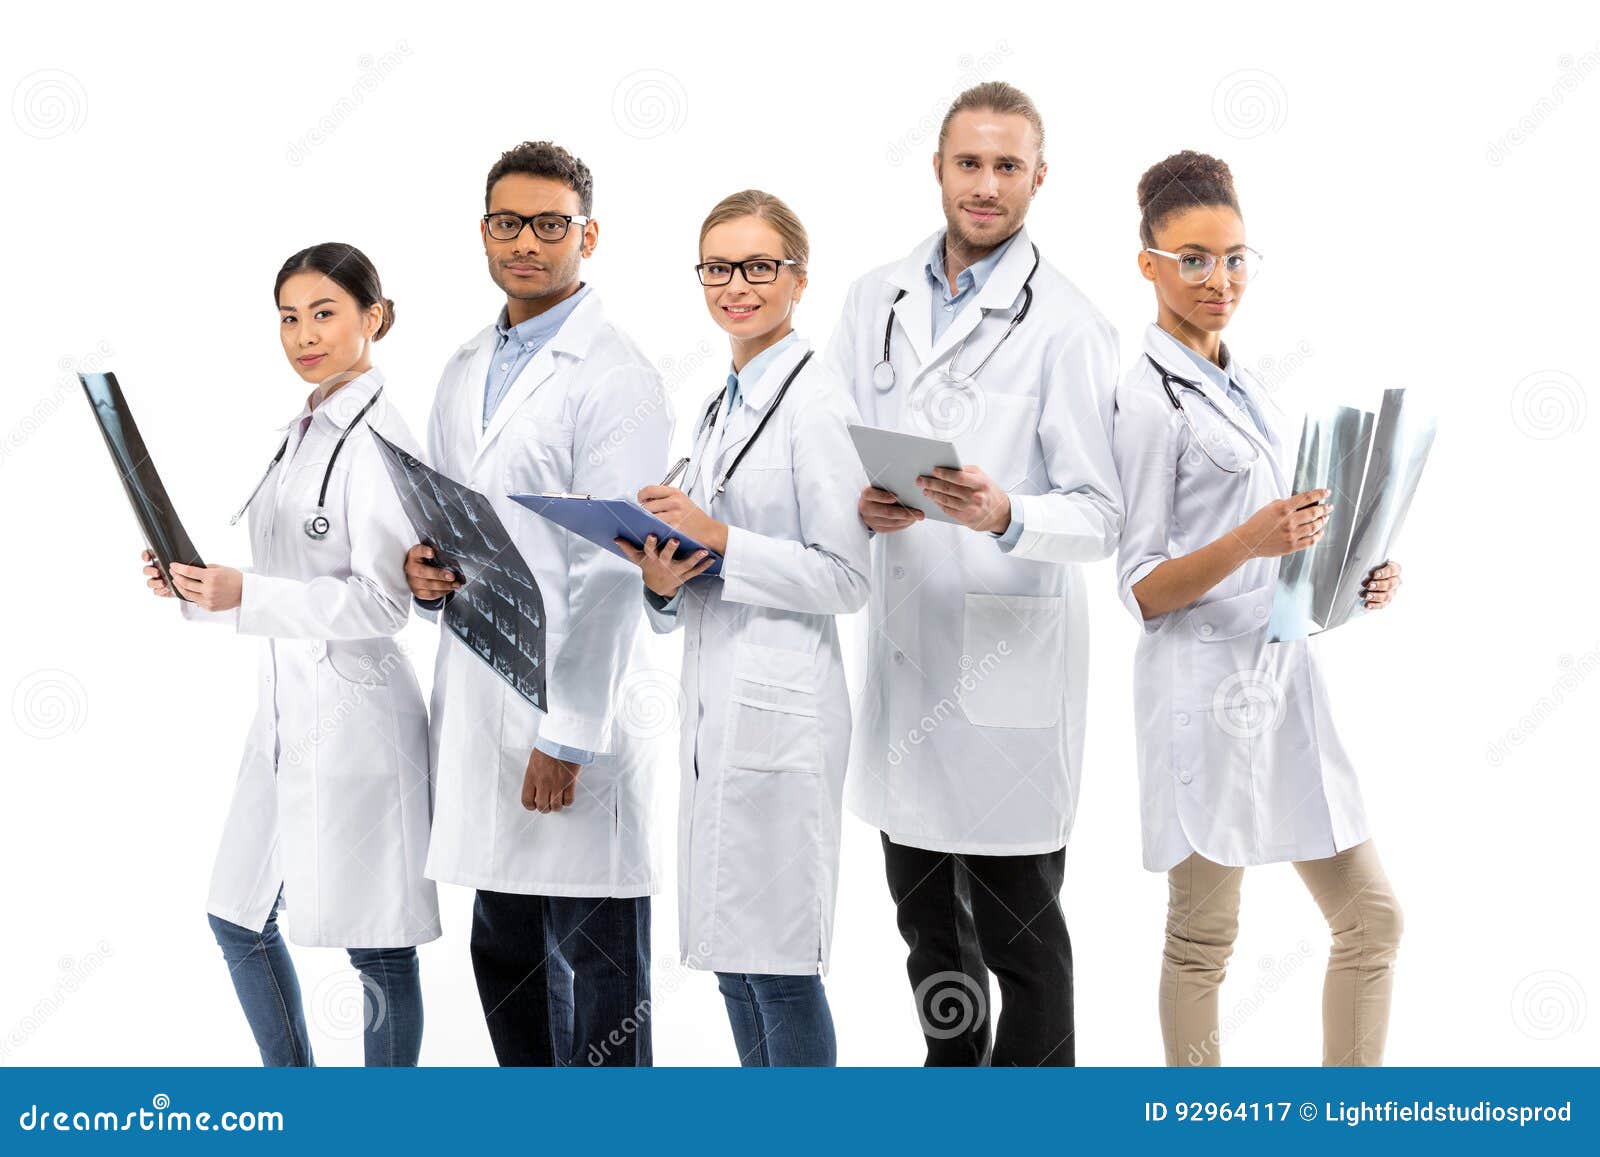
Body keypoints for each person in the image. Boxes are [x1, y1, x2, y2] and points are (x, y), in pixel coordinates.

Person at [823, 82, 1121, 1066]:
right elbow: (837, 452)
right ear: (938, 166)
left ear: (1039, 176)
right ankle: (951, 1086)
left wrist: (1007, 514)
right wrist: (863, 505)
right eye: (968, 162)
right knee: (925, 928)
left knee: (1019, 936)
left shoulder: (1070, 324)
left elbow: (1100, 515)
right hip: (910, 652)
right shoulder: (875, 296)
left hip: (1006, 661)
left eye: (1006, 165)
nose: (984, 184)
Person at [1112, 150, 1404, 1066]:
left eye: (1235, 257)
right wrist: (1249, 540)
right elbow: (1142, 587)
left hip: (1282, 680)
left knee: (1373, 919)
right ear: (1148, 263)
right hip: (1202, 692)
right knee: (1203, 940)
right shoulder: (1144, 398)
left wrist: (1356, 576)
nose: (1219, 279)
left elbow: (1284, 552)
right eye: (1193, 258)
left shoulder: (1252, 390)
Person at [403, 140, 670, 1067]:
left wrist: (568, 733)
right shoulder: (464, 363)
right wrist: (423, 575)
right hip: (479, 695)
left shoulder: (616, 374)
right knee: (505, 955)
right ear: (484, 232)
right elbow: (447, 513)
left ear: (586, 235)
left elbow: (613, 563)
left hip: (566, 711)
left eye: (550, 224)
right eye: (508, 222)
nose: (528, 241)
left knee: (599, 970)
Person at [140, 242, 437, 1066]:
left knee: (377, 943)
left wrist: (249, 595)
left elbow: (386, 603)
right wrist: (200, 590)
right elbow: (276, 577)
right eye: (288, 317)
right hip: (281, 716)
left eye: (324, 312)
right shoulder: (306, 427)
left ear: (373, 318)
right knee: (236, 914)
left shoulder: (379, 437)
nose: (303, 333)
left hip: (358, 718)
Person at [616, 190, 869, 1066]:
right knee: (731, 961)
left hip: (783, 713)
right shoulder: (718, 405)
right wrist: (660, 581)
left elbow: (846, 577)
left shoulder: (818, 403)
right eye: (718, 267)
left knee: (780, 967)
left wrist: (720, 535)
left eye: (759, 266)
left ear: (798, 279)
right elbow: (696, 580)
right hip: (715, 705)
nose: (737, 285)